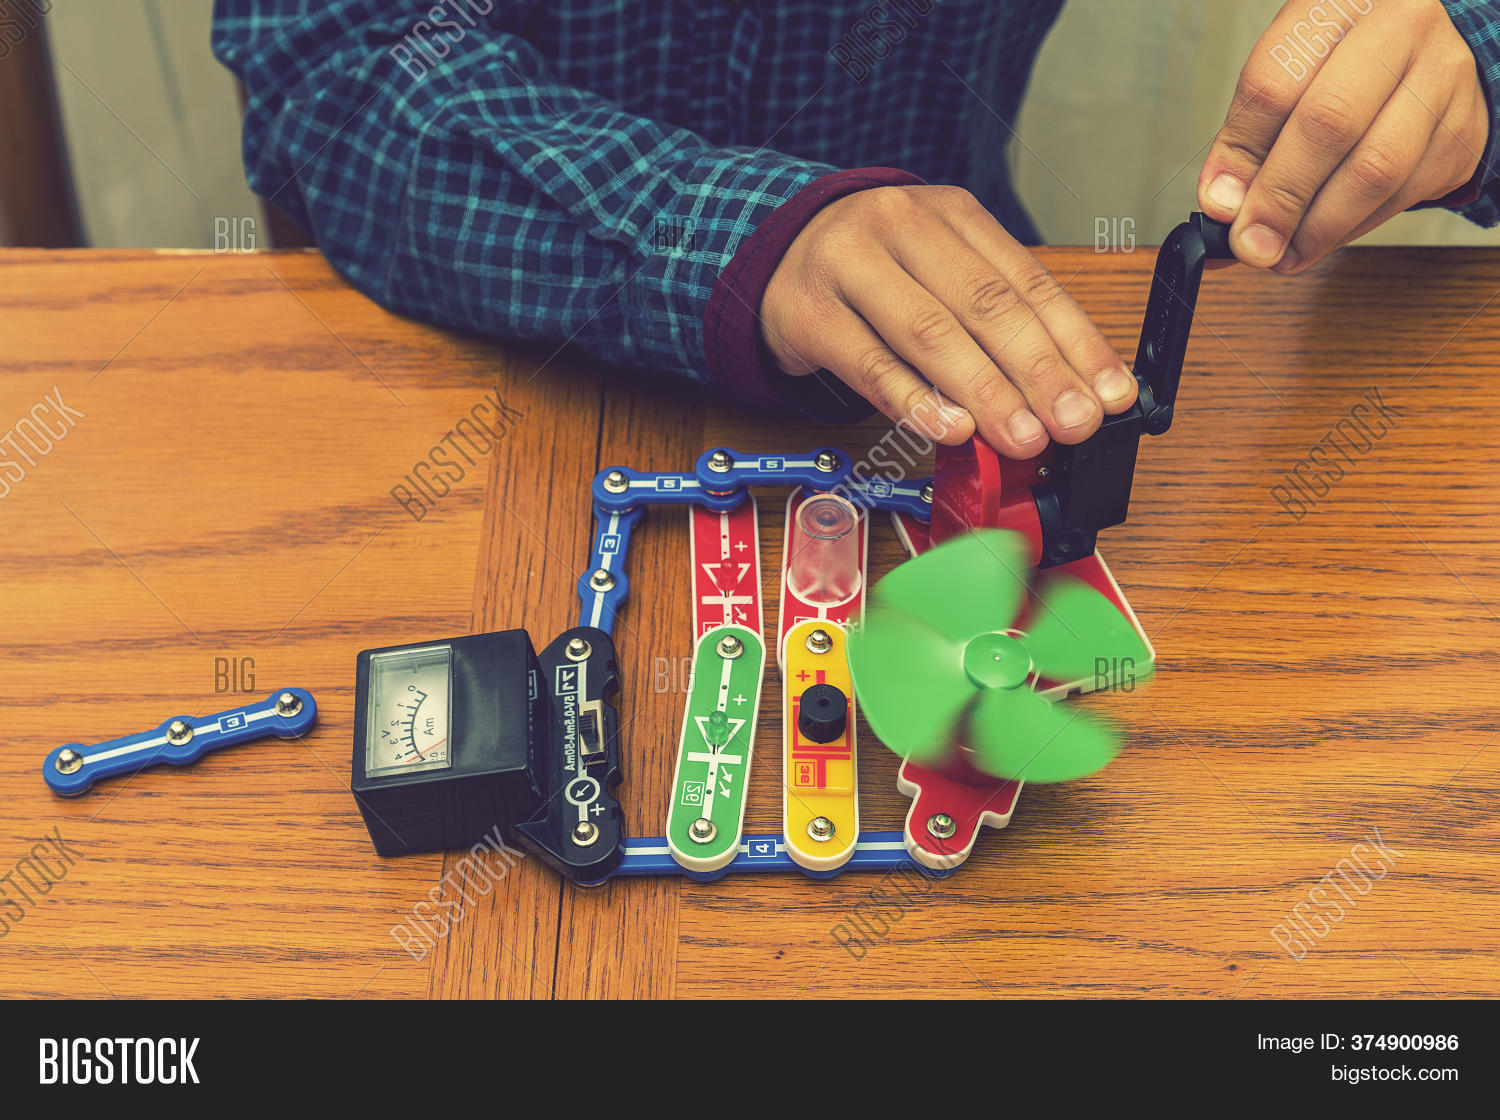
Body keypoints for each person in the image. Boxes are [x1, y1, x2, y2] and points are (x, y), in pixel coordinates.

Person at [213, 0, 1500, 458]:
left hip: (951, 391)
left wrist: (1469, 53)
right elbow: (329, 57)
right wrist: (734, 233)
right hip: (480, 381)